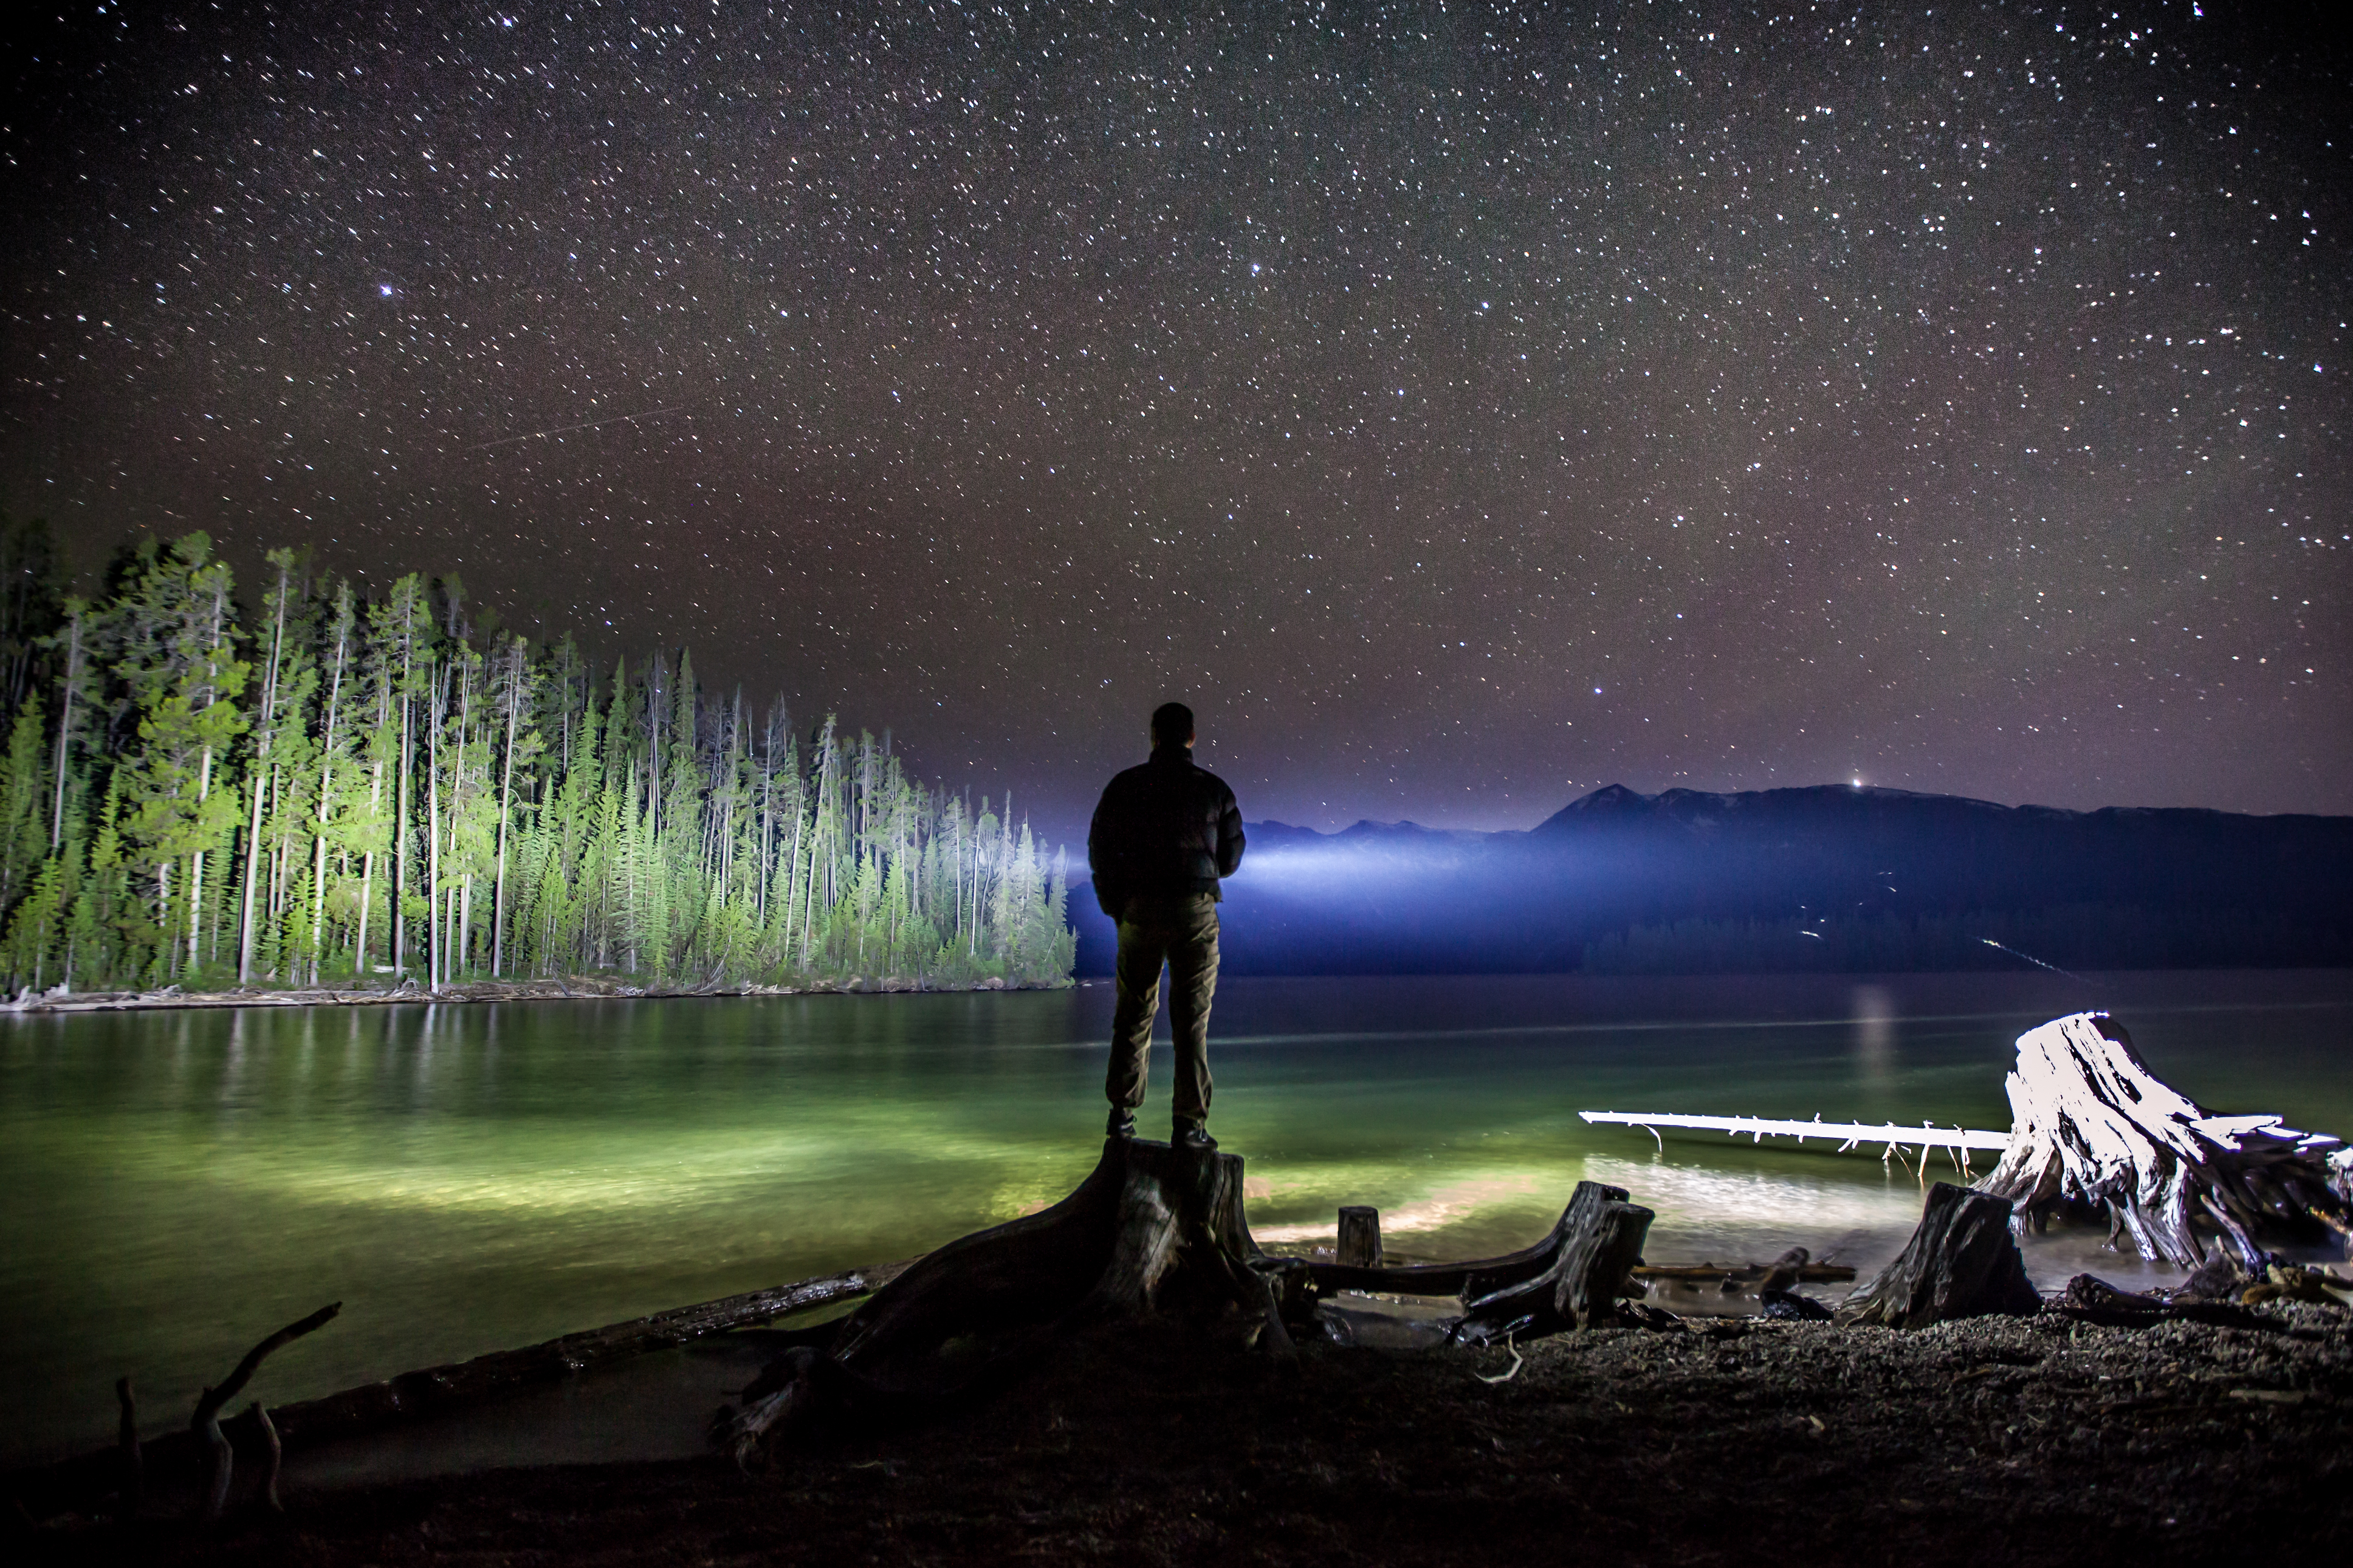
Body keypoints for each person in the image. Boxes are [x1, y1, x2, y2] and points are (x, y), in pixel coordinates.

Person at [1087, 701, 1245, 1151]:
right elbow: (1231, 860)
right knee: (1191, 1019)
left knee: (1134, 1012)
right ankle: (1189, 1124)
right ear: (1191, 737)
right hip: (1194, 910)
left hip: (1138, 910)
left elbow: (1100, 850)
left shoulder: (1125, 786)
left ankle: (1121, 1116)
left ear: (1155, 736)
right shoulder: (1216, 790)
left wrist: (1116, 906)